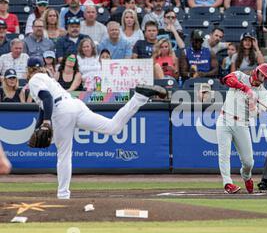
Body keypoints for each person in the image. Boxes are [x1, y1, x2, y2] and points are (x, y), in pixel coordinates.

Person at [25, 56, 167, 199]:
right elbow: (43, 107)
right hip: (75, 104)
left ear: (28, 69)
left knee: (64, 154)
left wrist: (46, 123)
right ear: (42, 65)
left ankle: (63, 195)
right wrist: (37, 128)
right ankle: (139, 97)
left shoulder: (34, 79)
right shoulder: (46, 78)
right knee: (113, 127)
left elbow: (47, 98)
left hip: (61, 110)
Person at [217, 63, 267, 194]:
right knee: (224, 154)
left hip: (242, 124)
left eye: (265, 77)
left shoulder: (263, 92)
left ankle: (246, 176)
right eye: (261, 75)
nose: (261, 79)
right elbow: (227, 79)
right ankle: (227, 183)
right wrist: (245, 89)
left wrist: (252, 104)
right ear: (256, 71)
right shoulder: (241, 76)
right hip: (225, 119)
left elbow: (258, 114)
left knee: (248, 162)